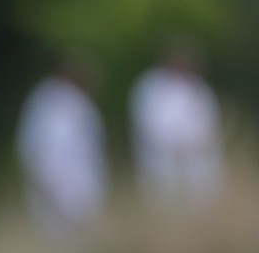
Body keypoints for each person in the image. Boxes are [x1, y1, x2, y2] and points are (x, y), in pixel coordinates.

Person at [15, 57, 108, 235]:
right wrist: (42, 182)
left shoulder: (84, 108)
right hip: (51, 190)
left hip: (85, 192)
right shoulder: (44, 103)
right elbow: (32, 148)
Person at [130, 41, 224, 203]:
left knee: (200, 197)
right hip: (163, 157)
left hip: (196, 156)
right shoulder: (151, 86)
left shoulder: (199, 88)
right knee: (164, 197)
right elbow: (148, 122)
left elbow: (210, 121)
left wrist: (195, 142)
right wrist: (172, 143)